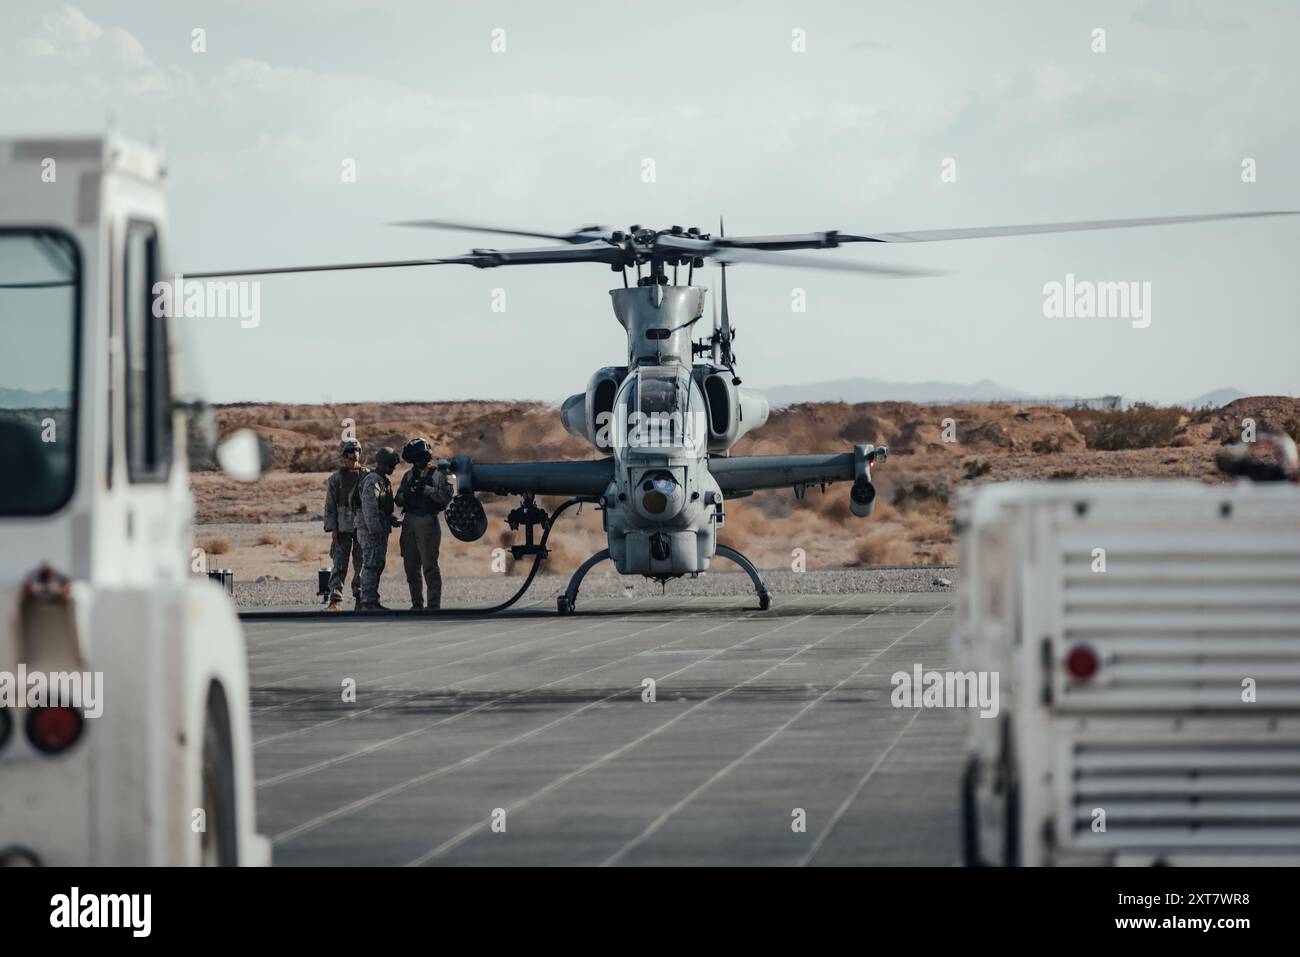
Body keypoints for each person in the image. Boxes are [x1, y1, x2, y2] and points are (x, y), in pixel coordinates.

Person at [395, 437, 453, 610]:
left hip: (428, 521)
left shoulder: (438, 475)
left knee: (429, 565)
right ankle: (417, 604)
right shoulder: (409, 476)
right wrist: (408, 494)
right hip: (410, 521)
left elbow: (446, 498)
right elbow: (398, 499)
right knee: (411, 566)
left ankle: (433, 605)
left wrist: (427, 490)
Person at [322, 439, 366, 612]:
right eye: (350, 451)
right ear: (344, 454)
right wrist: (333, 528)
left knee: (361, 565)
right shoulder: (336, 479)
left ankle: (361, 598)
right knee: (339, 564)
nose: (354, 454)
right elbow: (330, 506)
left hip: (362, 526)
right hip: (342, 527)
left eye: (357, 450)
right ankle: (335, 599)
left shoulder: (367, 475)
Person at [357, 446, 401, 611]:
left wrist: (390, 520)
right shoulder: (373, 480)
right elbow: (369, 508)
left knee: (377, 564)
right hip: (371, 531)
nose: (393, 469)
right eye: (391, 465)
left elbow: (382, 508)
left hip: (378, 529)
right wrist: (375, 530)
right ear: (383, 464)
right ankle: (368, 602)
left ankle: (372, 600)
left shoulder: (382, 480)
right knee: (371, 565)